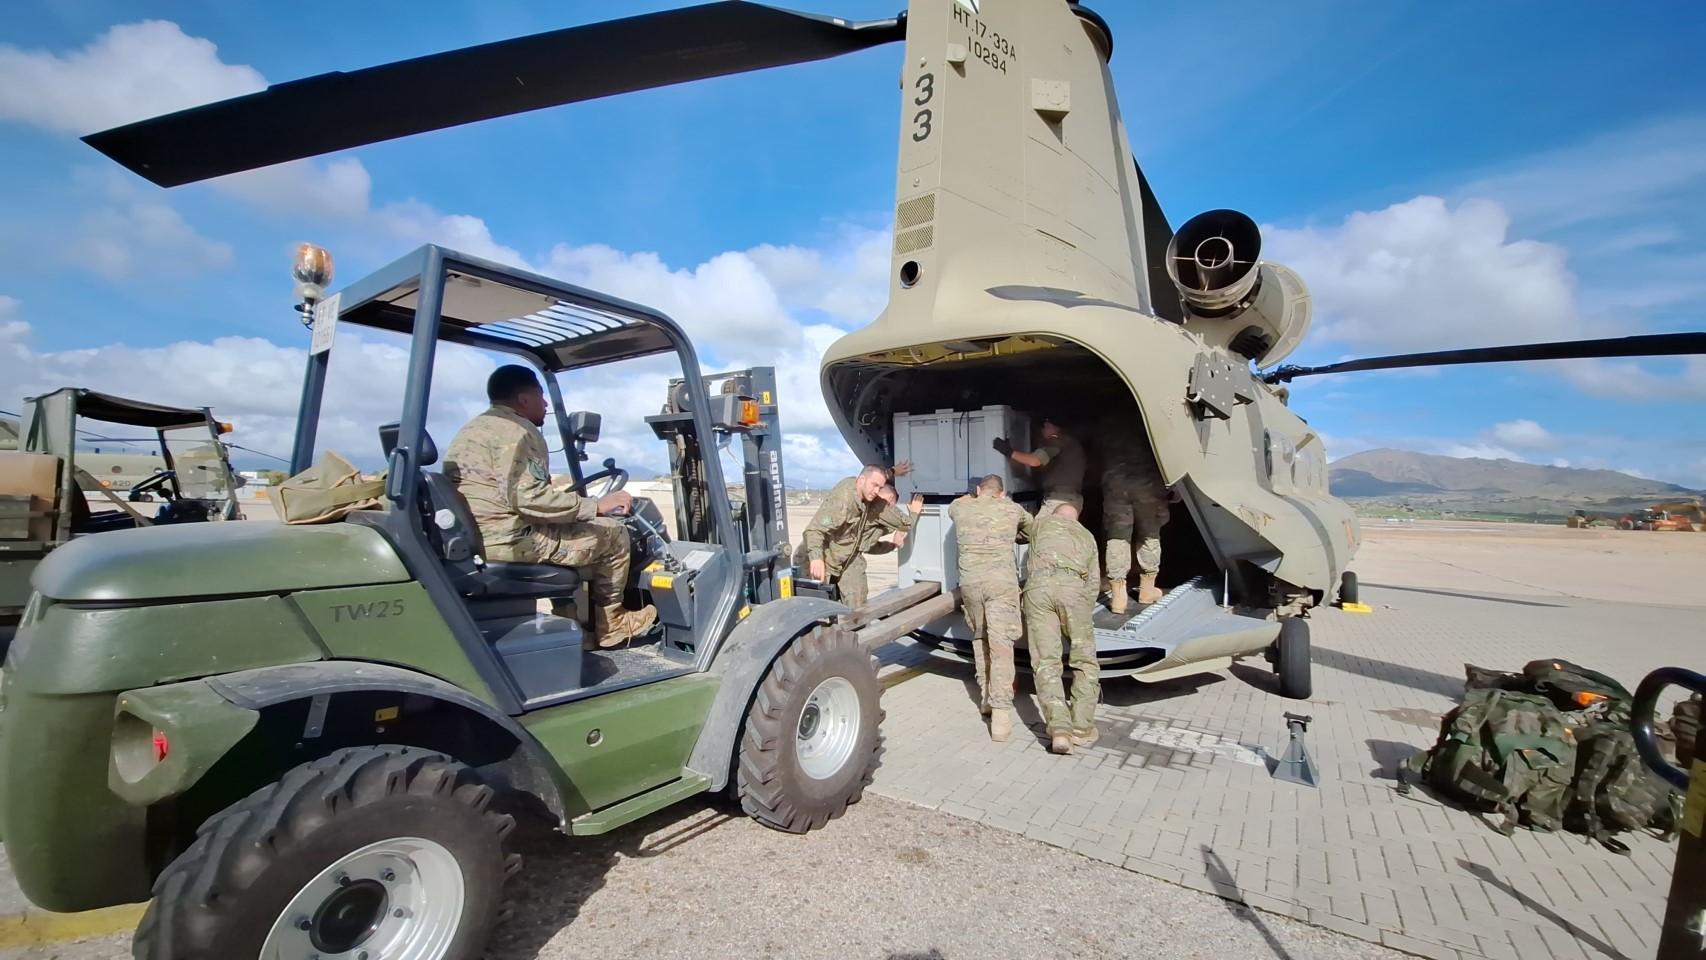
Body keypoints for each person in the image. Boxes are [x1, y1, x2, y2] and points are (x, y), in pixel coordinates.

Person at [443, 365, 657, 648]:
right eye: (541, 397)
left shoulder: (473, 430)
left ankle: (572, 626)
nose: (546, 405)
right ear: (524, 399)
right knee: (614, 535)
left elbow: (513, 493)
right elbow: (529, 499)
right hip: (510, 539)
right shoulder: (518, 431)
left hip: (478, 537)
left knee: (571, 531)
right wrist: (596, 506)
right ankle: (613, 625)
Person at [948, 474, 1034, 741]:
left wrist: (973, 498)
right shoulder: (1012, 508)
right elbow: (1031, 531)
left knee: (980, 637)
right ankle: (1000, 714)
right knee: (1001, 647)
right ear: (1002, 492)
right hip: (1001, 585)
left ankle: (986, 697)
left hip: (972, 585)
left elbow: (955, 506)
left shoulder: (960, 507)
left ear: (978, 489)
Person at [1023, 502, 1100, 755]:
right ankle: (1081, 727)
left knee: (1046, 662)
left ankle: (1059, 730)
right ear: (1076, 519)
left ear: (1055, 515)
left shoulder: (1040, 524)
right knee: (1085, 661)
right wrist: (1080, 612)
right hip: (1074, 591)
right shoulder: (1087, 536)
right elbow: (1093, 583)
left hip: (1039, 589)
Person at [800, 465, 924, 609]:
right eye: (875, 486)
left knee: (858, 605)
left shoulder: (874, 503)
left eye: (880, 487)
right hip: (822, 554)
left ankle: (856, 627)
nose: (876, 491)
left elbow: (872, 542)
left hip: (850, 557)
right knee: (815, 607)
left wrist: (893, 472)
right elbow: (815, 529)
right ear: (861, 480)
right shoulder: (842, 500)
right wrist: (816, 558)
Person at [1098, 411, 1170, 612]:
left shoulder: (1107, 425)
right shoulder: (1149, 421)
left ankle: (1118, 598)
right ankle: (1147, 590)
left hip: (1115, 484)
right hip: (1145, 484)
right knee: (1149, 533)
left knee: (1117, 537)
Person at [993, 418, 1084, 514]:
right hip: (1067, 497)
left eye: (1045, 427)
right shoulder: (1070, 443)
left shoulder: (1057, 441)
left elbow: (1035, 461)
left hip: (1059, 498)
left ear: (1053, 427)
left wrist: (1008, 451)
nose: (1042, 431)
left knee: (1047, 528)